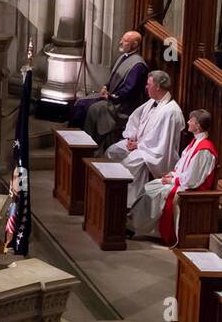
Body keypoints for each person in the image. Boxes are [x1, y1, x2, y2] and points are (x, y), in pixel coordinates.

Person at [128, 110, 216, 242]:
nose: (188, 122)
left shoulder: (204, 149)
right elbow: (184, 167)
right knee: (150, 187)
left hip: (192, 190)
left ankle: (135, 226)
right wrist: (172, 174)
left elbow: (193, 179)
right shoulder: (195, 142)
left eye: (191, 120)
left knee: (154, 192)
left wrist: (172, 180)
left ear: (197, 126)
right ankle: (133, 222)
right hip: (183, 183)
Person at [107, 70, 184, 200]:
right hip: (141, 145)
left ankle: (127, 202)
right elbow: (136, 119)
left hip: (154, 153)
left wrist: (139, 145)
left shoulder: (171, 111)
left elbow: (163, 143)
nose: (146, 87)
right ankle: (109, 192)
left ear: (158, 87)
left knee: (130, 163)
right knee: (113, 151)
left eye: (149, 84)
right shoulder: (151, 102)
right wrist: (132, 137)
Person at [71, 30, 147, 145]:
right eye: (122, 39)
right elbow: (112, 78)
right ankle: (73, 139)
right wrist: (105, 87)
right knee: (81, 103)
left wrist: (111, 96)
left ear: (135, 44)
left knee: (94, 109)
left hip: (122, 105)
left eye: (125, 41)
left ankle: (88, 144)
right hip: (111, 97)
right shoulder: (123, 57)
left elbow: (129, 91)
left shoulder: (138, 65)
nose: (120, 42)